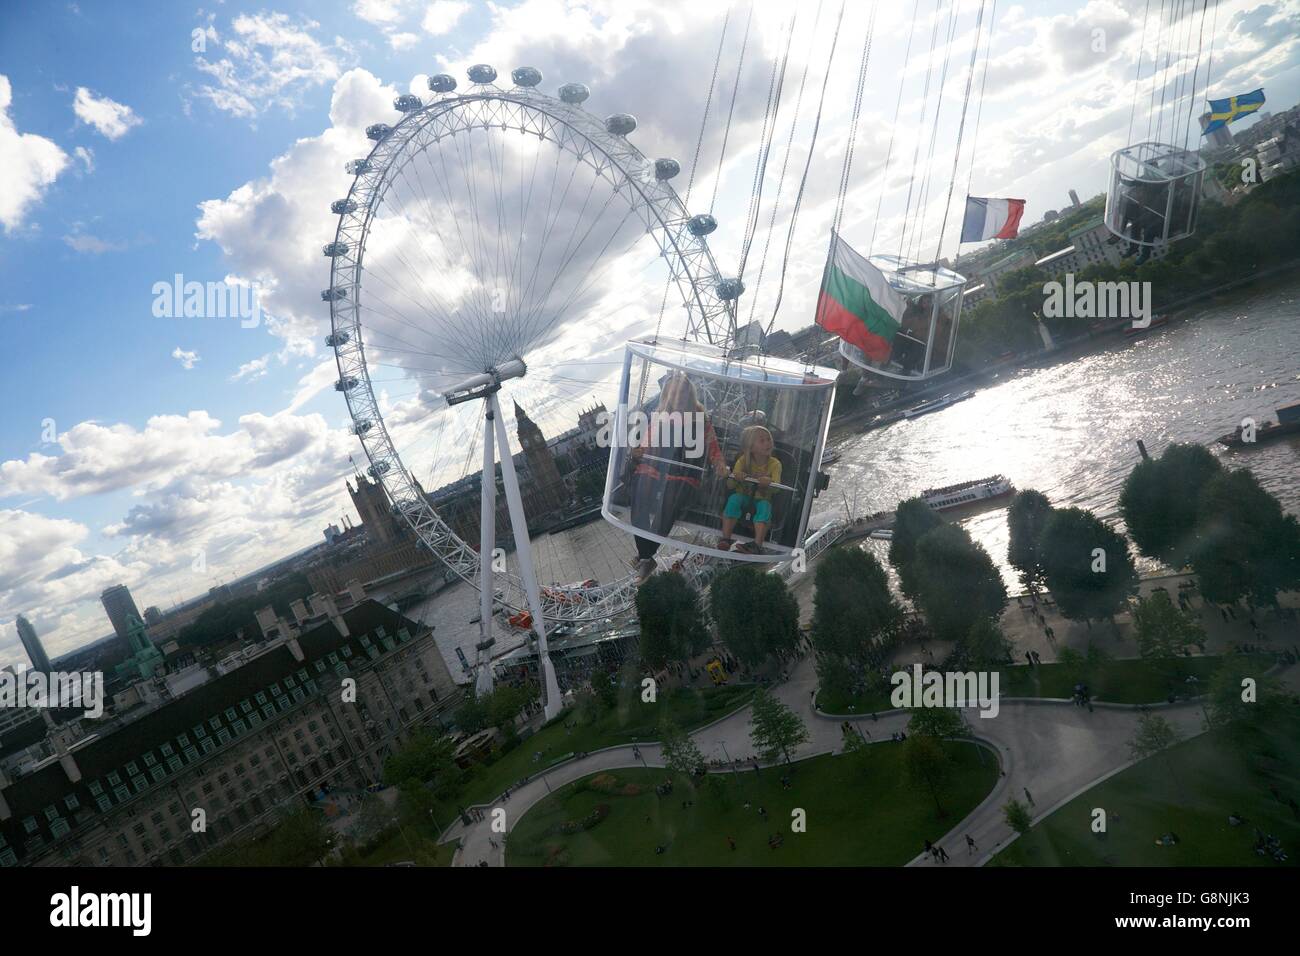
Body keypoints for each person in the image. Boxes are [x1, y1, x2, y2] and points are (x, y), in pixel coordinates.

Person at [627, 373, 727, 581]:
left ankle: (645, 556)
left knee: (670, 498)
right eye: (674, 392)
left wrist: (719, 464)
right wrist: (638, 452)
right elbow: (647, 445)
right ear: (667, 396)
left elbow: (712, 448)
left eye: (682, 391)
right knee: (640, 491)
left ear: (689, 393)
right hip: (659, 471)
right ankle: (646, 556)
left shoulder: (700, 418)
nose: (678, 396)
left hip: (684, 473)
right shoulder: (659, 419)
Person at [718, 425, 782, 555]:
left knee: (765, 507)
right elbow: (730, 485)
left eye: (768, 439)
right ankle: (726, 538)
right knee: (734, 499)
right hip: (744, 497)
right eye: (762, 441)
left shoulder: (775, 464)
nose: (767, 443)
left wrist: (769, 483)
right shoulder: (742, 461)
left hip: (762, 499)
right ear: (751, 447)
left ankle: (757, 544)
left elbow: (777, 489)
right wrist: (736, 477)